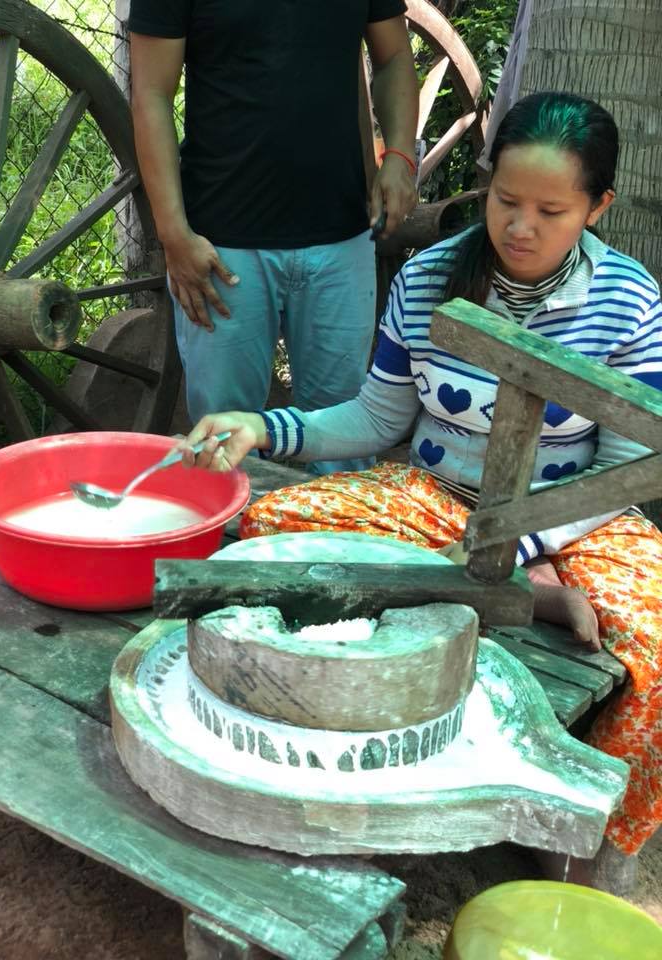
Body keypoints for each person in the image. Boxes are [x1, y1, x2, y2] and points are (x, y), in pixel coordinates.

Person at [178, 91, 662, 891]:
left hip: (578, 517)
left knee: (656, 644)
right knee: (275, 524)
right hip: (439, 498)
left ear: (597, 207)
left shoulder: (629, 301)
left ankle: (580, 837)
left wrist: (520, 541)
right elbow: (376, 418)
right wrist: (264, 428)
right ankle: (508, 612)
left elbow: (624, 471)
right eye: (506, 201)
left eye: (550, 211)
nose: (520, 227)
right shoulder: (433, 273)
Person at [128, 0, 418, 473]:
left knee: (345, 451)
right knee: (221, 451)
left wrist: (400, 156)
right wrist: (173, 234)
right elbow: (151, 95)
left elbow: (394, 57)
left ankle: (335, 527)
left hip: (342, 239)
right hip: (221, 250)